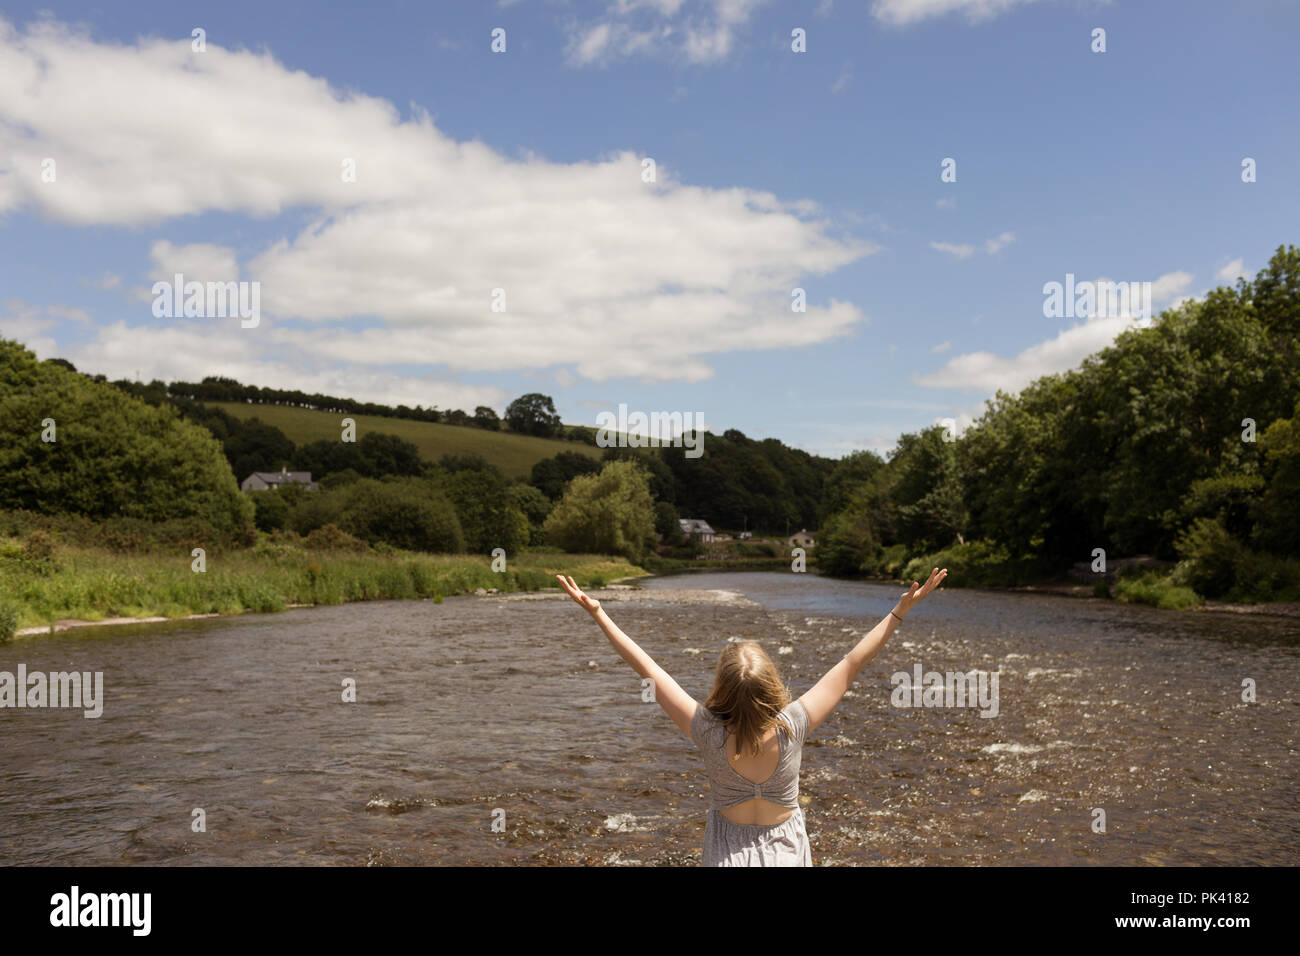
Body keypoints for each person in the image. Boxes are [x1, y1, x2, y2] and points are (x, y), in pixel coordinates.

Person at [556, 566, 949, 866]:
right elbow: (853, 662)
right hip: (788, 852)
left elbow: (648, 669)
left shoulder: (706, 730)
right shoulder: (794, 724)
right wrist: (899, 610)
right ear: (774, 687)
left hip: (726, 854)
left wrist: (600, 614)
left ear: (721, 689)